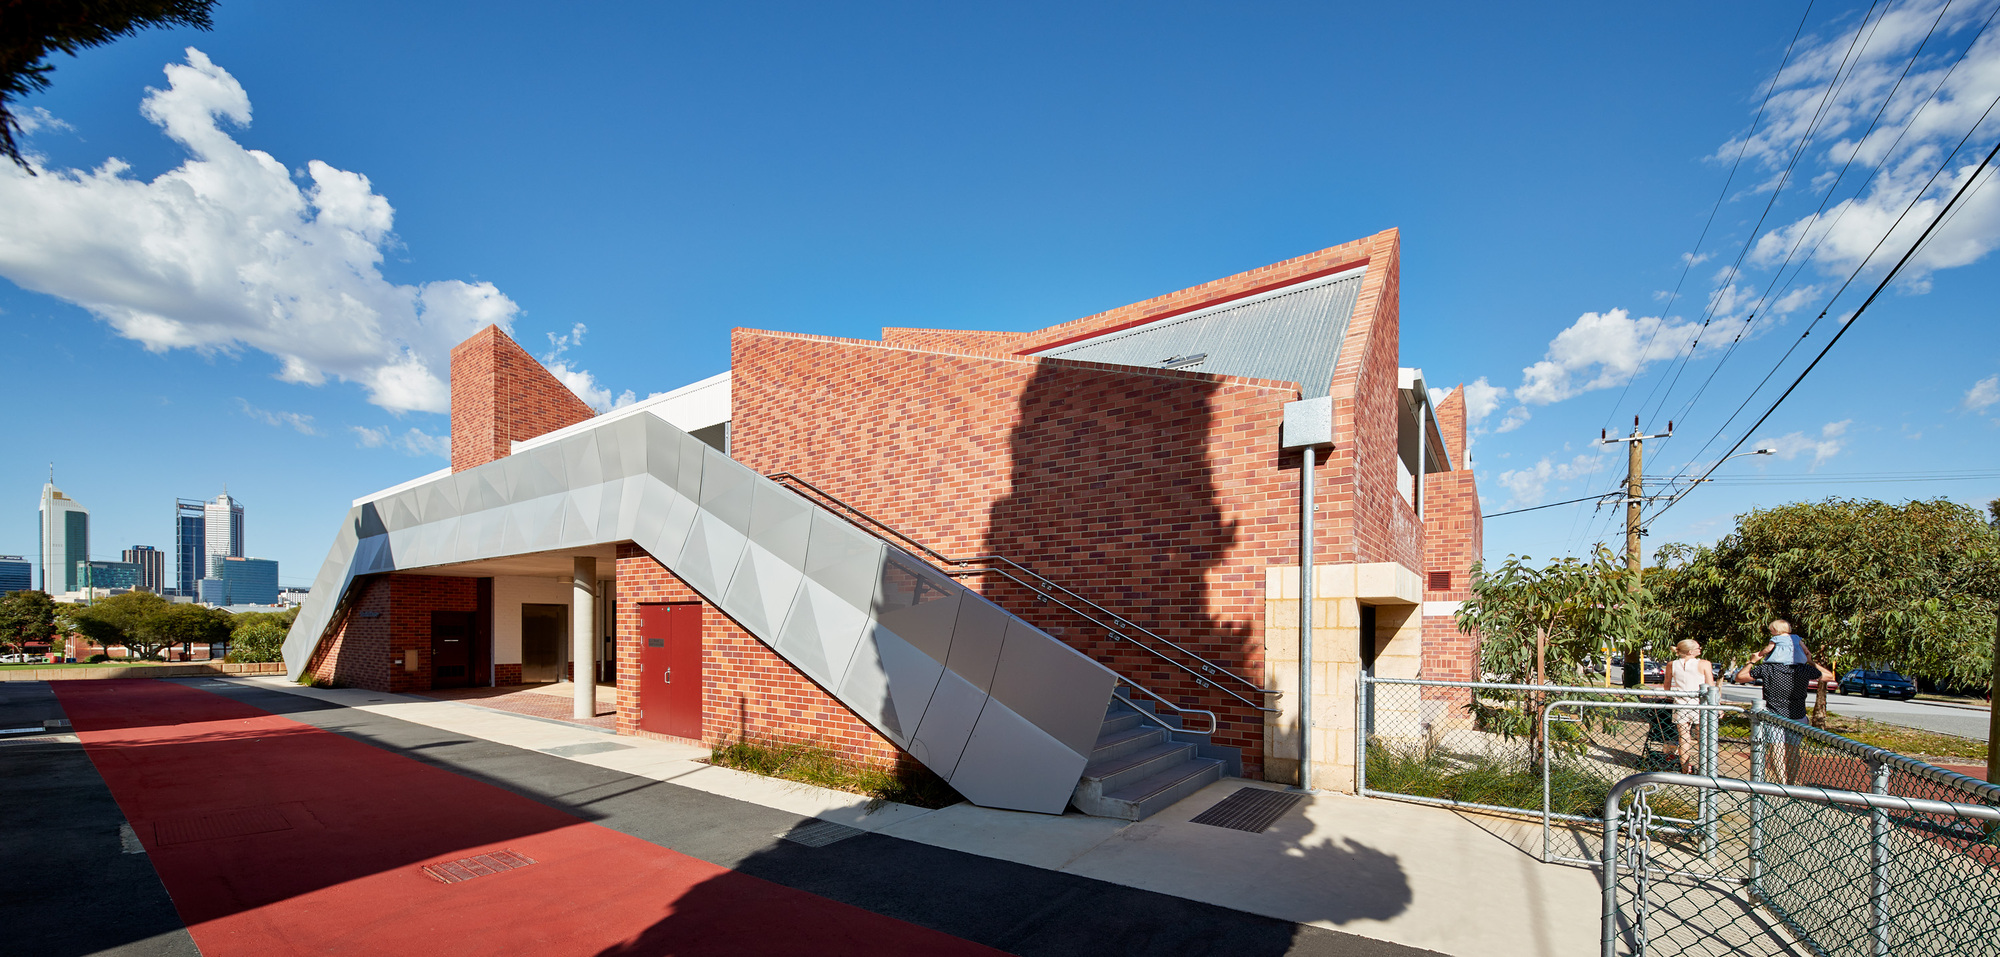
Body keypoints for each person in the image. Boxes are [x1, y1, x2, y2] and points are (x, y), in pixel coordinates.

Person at [1734, 619, 1834, 783]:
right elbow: (1828, 677)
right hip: (1797, 715)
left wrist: (1754, 659)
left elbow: (1740, 678)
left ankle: (1781, 782)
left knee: (1776, 750)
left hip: (1774, 716)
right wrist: (1810, 660)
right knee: (1794, 751)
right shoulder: (1803, 669)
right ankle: (1792, 782)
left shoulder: (1768, 668)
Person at [1668, 639, 1715, 773]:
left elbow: (1667, 684)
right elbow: (1711, 685)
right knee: (1703, 737)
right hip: (1699, 704)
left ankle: (1684, 769)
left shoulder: (1672, 664)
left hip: (1680, 703)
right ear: (1690, 651)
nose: (1700, 650)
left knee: (1684, 738)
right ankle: (1705, 768)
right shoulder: (1704, 664)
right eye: (1698, 648)